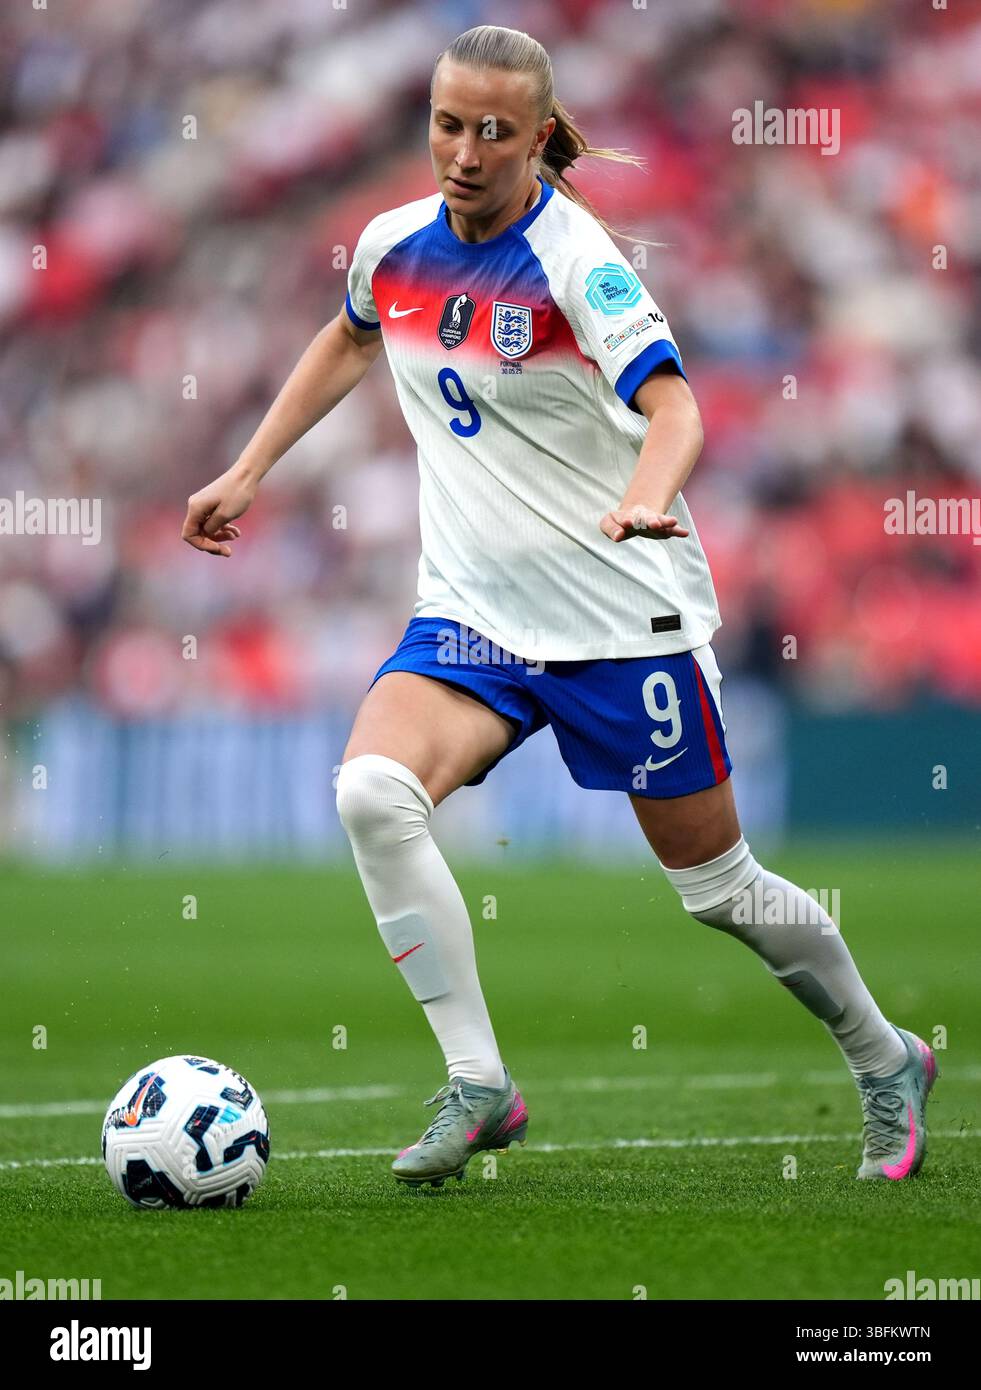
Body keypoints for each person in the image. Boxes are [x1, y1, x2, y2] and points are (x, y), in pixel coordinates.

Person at [182, 25, 937, 1190]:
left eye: (494, 131)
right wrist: (248, 471)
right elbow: (348, 335)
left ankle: (886, 1057)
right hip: (472, 618)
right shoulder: (393, 244)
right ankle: (480, 1081)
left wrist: (646, 496)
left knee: (719, 891)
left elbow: (677, 408)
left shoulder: (578, 262)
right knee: (372, 794)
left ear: (540, 136)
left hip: (616, 621)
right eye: (447, 123)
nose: (466, 152)